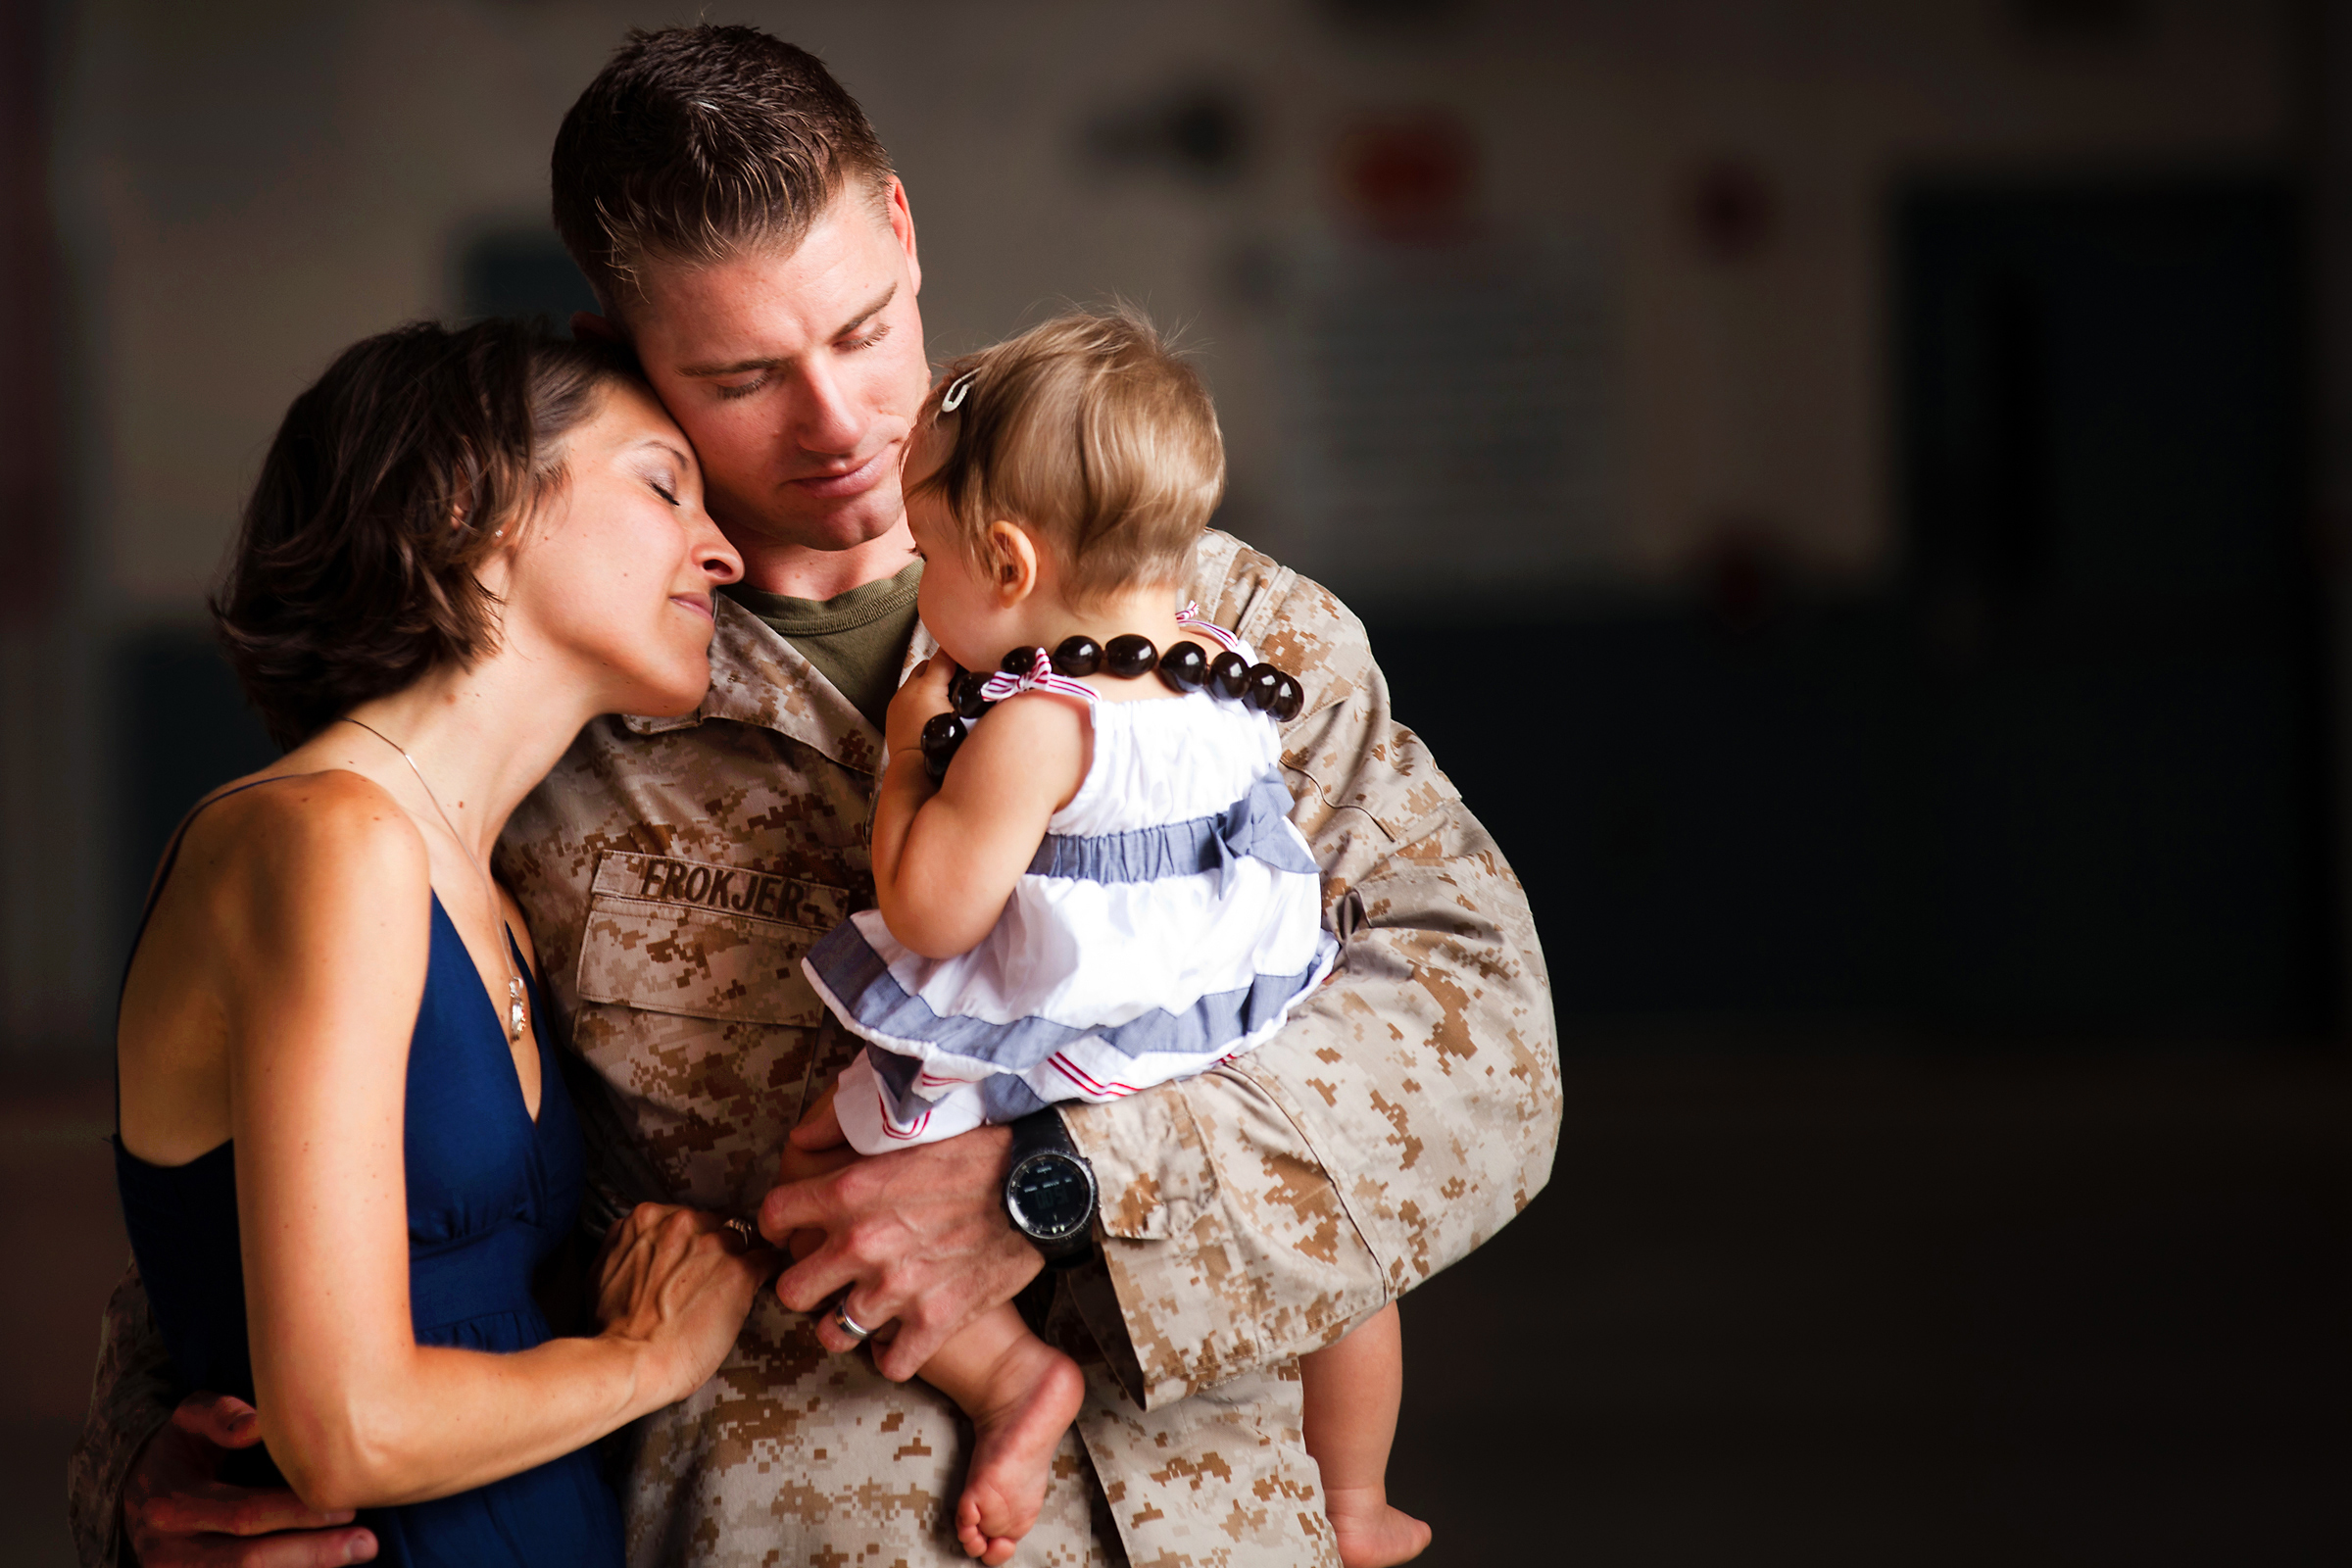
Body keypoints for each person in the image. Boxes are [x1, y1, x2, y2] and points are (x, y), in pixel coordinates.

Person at [72, 25, 1561, 1568]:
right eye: (742, 376)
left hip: (1214, 1527)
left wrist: (1056, 1187)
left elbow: (1486, 1046)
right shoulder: (546, 724)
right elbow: (330, 1185)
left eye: (861, 331)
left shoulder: (1225, 638)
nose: (840, 423)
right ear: (629, 344)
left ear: (905, 233)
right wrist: (149, 1473)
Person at [104, 318, 776, 1566]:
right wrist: (649, 1357)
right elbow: (344, 1427)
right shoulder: (327, 841)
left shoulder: (491, 894)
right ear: (475, 498)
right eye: (661, 483)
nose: (724, 550)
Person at [794, 309, 1425, 1567]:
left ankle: (1014, 1380)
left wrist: (914, 750)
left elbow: (932, 908)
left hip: (1085, 1034)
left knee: (823, 1174)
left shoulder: (1038, 723)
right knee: (1353, 1275)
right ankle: (1354, 1498)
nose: (923, 586)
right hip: (1230, 1022)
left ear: (1009, 564)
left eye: (929, 558)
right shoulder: (1229, 666)